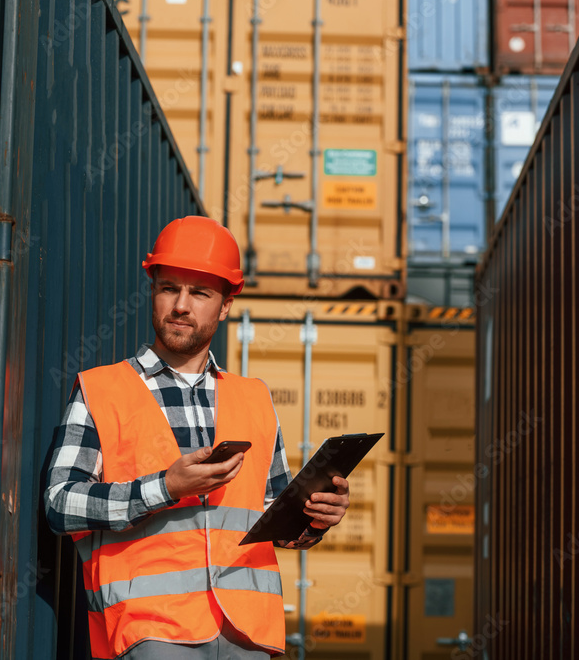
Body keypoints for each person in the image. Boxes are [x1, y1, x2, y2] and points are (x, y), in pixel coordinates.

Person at [45, 216, 350, 659]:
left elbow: (272, 523)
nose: (181, 305)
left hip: (248, 632)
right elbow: (59, 503)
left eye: (200, 293)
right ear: (153, 290)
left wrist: (315, 518)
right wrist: (165, 488)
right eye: (169, 287)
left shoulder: (255, 399)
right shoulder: (101, 389)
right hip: (153, 631)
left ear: (225, 305)